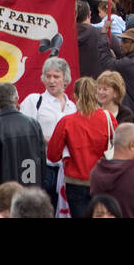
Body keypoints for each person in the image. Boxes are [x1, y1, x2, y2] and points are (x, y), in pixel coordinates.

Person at [47, 77, 118, 218]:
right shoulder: (109, 118)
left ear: (75, 96)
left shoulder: (66, 122)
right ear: (96, 94)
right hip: (102, 181)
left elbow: (52, 155)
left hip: (75, 182)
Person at [0, 83, 45, 206]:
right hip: (32, 194)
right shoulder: (34, 125)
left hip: (5, 198)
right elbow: (42, 162)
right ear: (16, 100)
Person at [19, 57, 77, 203]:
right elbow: (24, 131)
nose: (51, 81)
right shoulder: (34, 101)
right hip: (41, 168)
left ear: (65, 79)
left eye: (56, 77)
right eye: (48, 76)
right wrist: (48, 140)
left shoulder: (72, 107)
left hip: (65, 170)